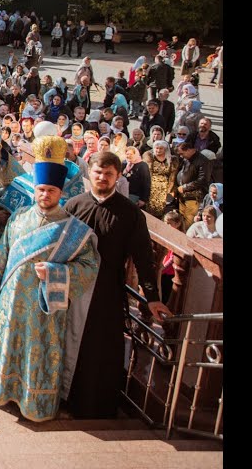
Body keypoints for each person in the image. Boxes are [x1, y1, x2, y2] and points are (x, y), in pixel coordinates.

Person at [0, 136, 100, 421]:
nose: (45, 195)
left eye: (51, 191)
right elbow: (3, 251)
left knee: (37, 353)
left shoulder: (73, 229)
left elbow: (89, 267)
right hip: (10, 299)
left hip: (43, 308)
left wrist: (57, 273)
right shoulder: (19, 217)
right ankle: (0, 390)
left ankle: (33, 402)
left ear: (60, 193)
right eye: (41, 189)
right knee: (7, 343)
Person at [63, 151, 169, 419]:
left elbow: (144, 258)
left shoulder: (131, 214)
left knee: (101, 350)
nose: (102, 177)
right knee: (67, 342)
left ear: (118, 176)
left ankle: (94, 407)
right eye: (98, 172)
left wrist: (152, 297)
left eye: (108, 173)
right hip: (73, 290)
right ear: (89, 172)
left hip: (107, 292)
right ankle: (63, 398)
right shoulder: (74, 206)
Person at [171, 139, 211, 226]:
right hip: (182, 196)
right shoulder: (186, 159)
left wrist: (185, 187)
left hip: (194, 197)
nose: (181, 156)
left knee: (189, 222)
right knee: (181, 220)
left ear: (190, 150)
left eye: (182, 153)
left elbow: (203, 180)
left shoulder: (203, 161)